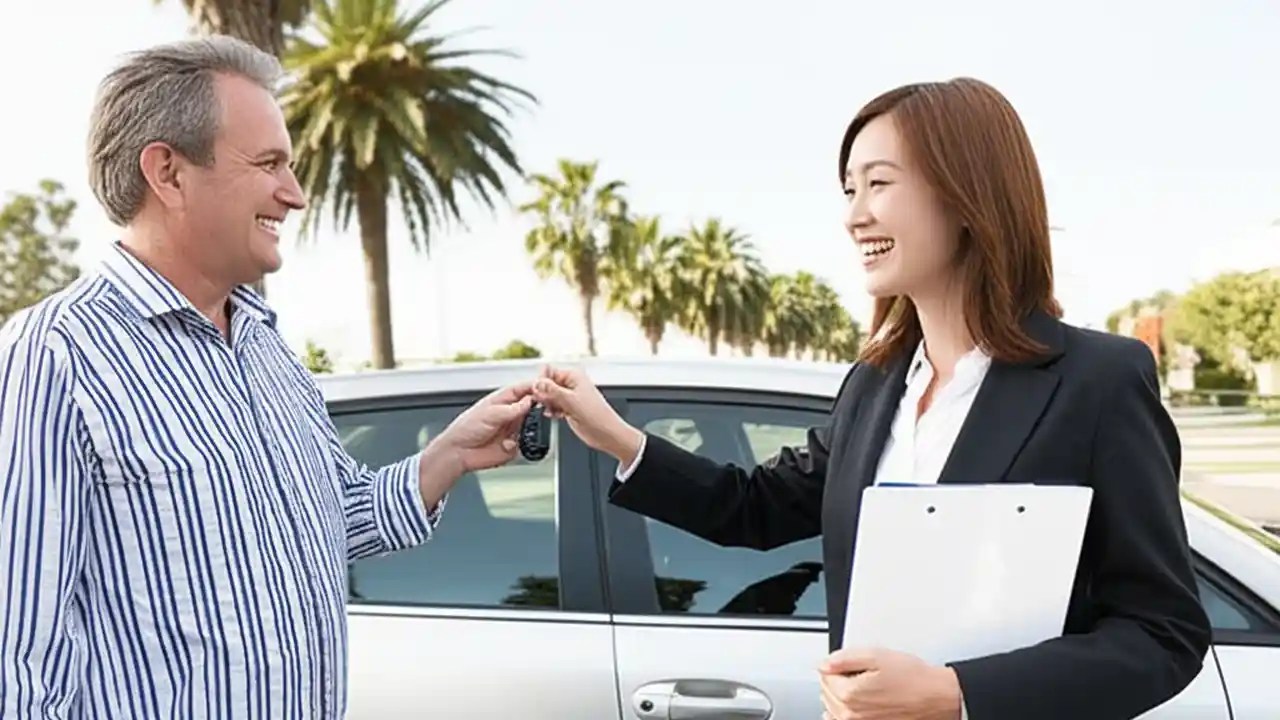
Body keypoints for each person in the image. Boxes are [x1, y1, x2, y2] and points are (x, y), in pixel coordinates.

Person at [531, 77, 1211, 720]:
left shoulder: (1098, 380)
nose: (855, 216)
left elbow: (1163, 632)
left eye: (878, 184)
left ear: (967, 194)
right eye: (849, 189)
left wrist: (957, 693)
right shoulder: (875, 385)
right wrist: (616, 436)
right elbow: (755, 508)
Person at [0, 36, 534, 719]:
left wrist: (449, 455)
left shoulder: (267, 348)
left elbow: (330, 522)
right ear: (168, 173)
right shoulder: (55, 357)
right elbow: (15, 663)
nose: (297, 194)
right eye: (269, 164)